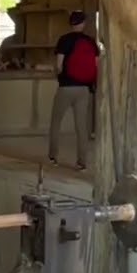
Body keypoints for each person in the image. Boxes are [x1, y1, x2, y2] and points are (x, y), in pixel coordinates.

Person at [49, 11, 99, 170]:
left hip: (66, 88)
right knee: (81, 126)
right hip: (84, 89)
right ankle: (82, 162)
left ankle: (53, 157)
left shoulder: (64, 40)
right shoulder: (91, 42)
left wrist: (60, 75)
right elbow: (96, 65)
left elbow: (59, 65)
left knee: (56, 122)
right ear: (83, 24)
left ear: (70, 24)